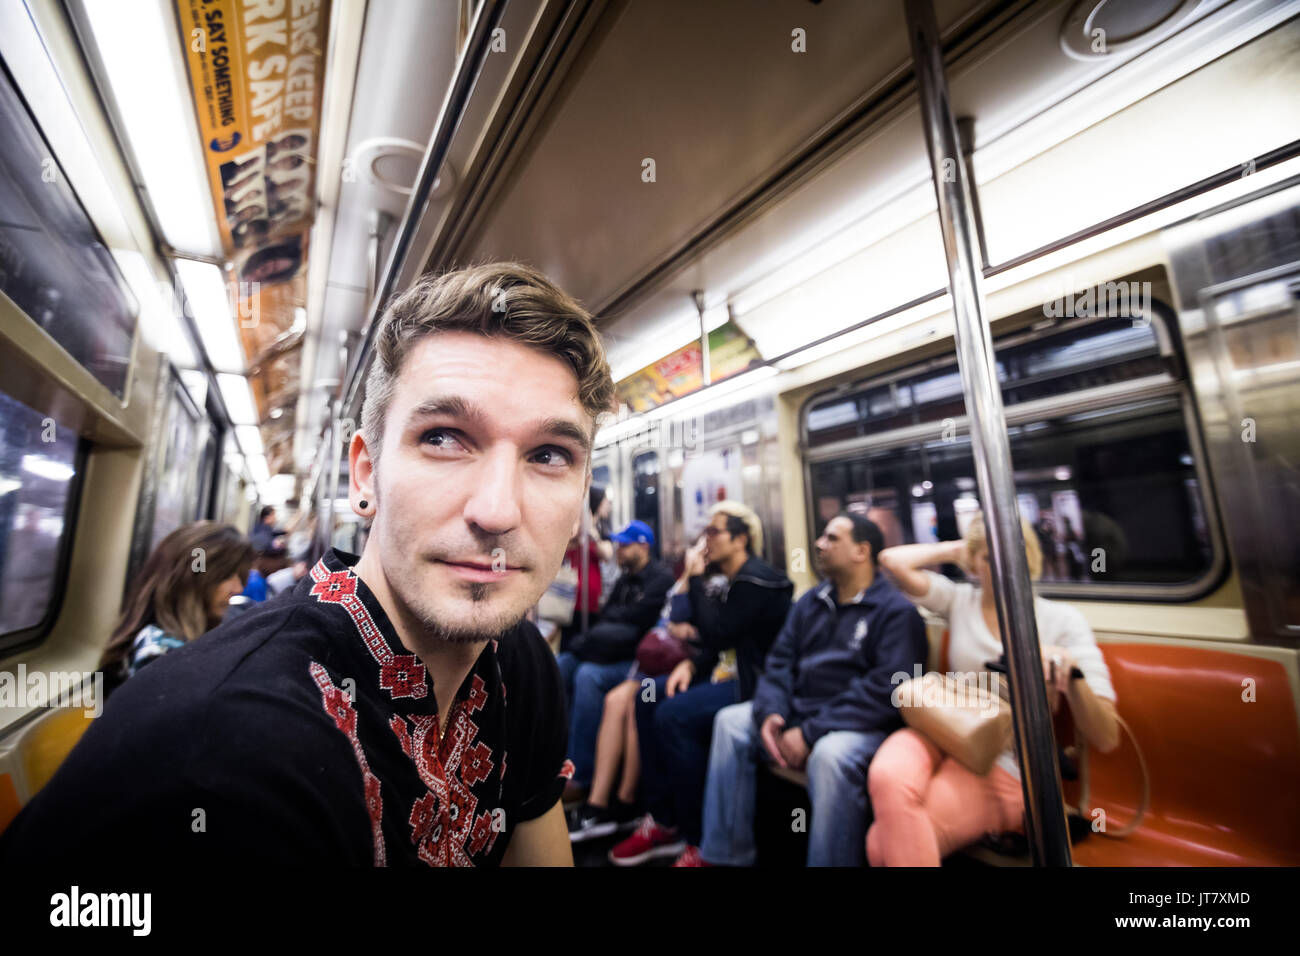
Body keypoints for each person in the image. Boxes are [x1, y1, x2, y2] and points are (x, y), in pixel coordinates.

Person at [0, 262, 615, 866]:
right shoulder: (226, 755)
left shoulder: (521, 664)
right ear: (365, 474)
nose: (497, 510)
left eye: (549, 454)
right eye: (444, 437)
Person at [868, 514, 1120, 866]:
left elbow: (1107, 736)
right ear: (975, 562)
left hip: (1006, 759)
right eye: (989, 558)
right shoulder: (960, 600)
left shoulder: (1061, 621)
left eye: (1011, 556)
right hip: (942, 728)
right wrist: (960, 549)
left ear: (1029, 559)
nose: (1001, 569)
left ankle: (1016, 801)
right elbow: (892, 561)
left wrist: (1070, 671)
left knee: (879, 845)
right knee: (886, 774)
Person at [689, 514, 928, 867]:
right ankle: (725, 854)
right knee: (731, 723)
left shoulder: (895, 613)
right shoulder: (811, 602)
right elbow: (780, 663)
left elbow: (886, 690)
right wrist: (772, 713)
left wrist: (811, 732)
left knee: (830, 757)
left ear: (861, 551)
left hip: (858, 725)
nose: (819, 544)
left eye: (832, 538)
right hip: (801, 711)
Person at [608, 501, 794, 865]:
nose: (705, 539)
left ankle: (695, 836)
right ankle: (663, 818)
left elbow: (718, 633)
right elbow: (707, 635)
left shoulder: (757, 581)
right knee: (648, 697)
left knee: (673, 715)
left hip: (756, 683)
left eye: (714, 531)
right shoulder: (725, 579)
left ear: (740, 539)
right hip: (723, 672)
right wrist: (691, 666)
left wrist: (693, 579)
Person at [559, 520, 673, 829]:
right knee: (561, 666)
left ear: (643, 546)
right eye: (619, 544)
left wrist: (616, 623)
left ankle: (581, 776)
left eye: (625, 545)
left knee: (588, 677)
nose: (619, 550)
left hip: (635, 662)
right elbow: (612, 617)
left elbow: (636, 623)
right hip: (608, 652)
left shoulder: (660, 580)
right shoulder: (624, 582)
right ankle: (559, 758)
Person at [99, 521, 254, 693]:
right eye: (226, 576)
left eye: (240, 577)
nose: (238, 588)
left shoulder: (192, 639)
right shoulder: (160, 653)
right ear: (192, 582)